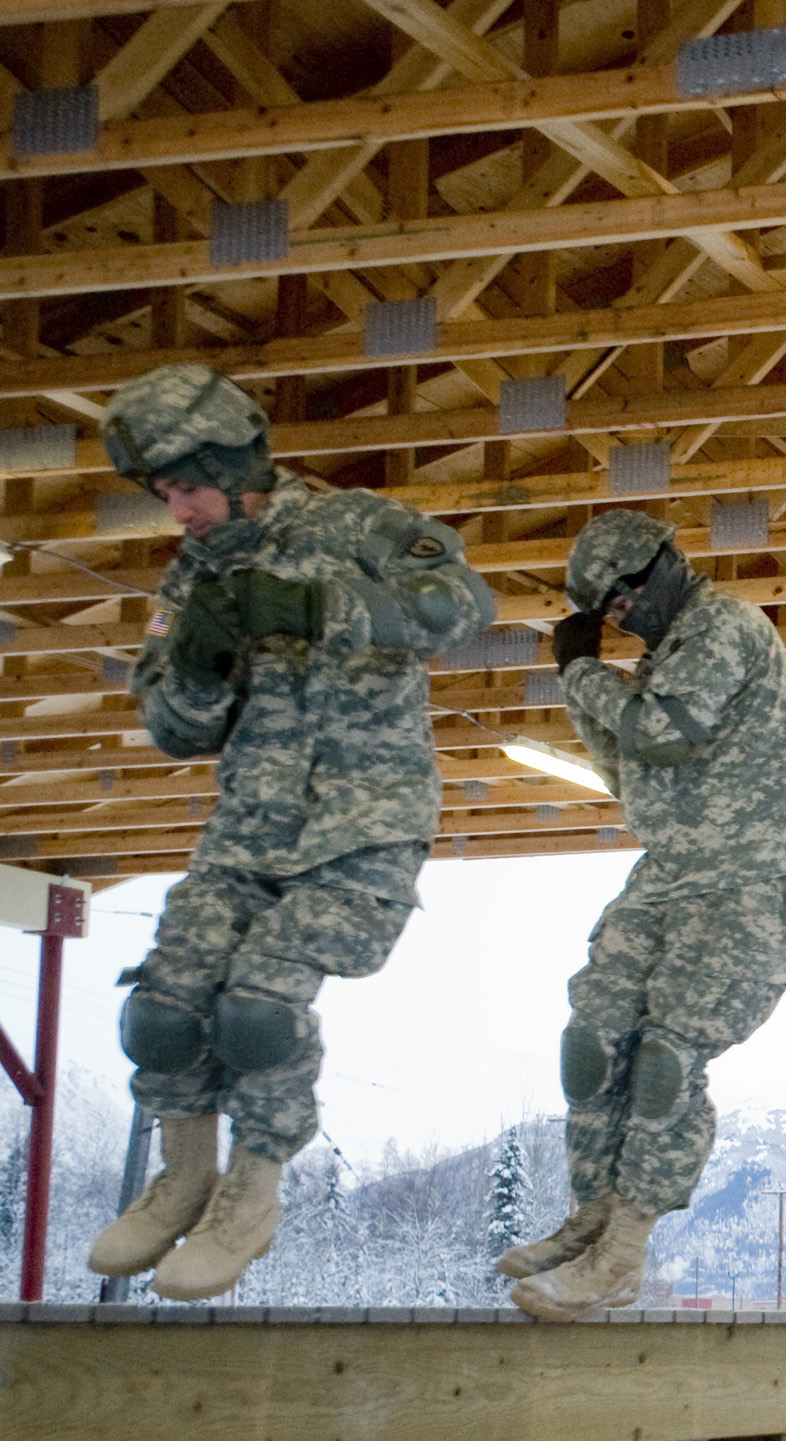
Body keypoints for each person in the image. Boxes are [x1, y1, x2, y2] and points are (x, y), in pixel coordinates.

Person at [86, 364, 494, 1299]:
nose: (178, 513)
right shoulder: (190, 576)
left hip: (362, 830)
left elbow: (461, 608)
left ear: (230, 464)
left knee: (257, 1011)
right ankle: (183, 1176)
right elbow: (173, 730)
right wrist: (195, 658)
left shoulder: (358, 528)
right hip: (245, 834)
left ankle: (251, 1192)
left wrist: (316, 610)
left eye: (185, 489)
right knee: (162, 1010)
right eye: (165, 497)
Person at [501, 510, 786, 1319]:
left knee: (665, 1061)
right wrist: (593, 688)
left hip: (753, 876)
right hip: (674, 872)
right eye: (606, 613)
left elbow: (663, 734)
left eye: (626, 599)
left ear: (667, 564)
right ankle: (590, 1216)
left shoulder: (722, 628)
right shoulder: (659, 663)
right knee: (593, 1039)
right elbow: (629, 767)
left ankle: (622, 1251)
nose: (623, 618)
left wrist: (581, 674)